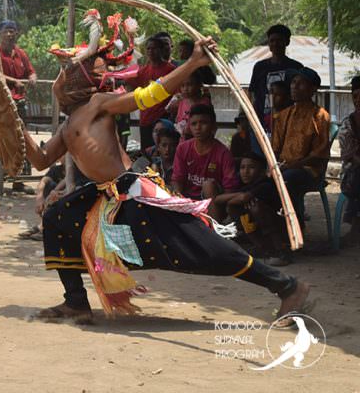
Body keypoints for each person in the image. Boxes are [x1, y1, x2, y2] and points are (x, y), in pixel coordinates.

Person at [20, 35, 308, 324]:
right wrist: (15, 124)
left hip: (134, 191)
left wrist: (194, 62)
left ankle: (286, 286)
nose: (59, 80)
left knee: (201, 245)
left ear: (79, 81)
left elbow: (150, 96)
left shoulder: (98, 103)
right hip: (105, 196)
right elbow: (40, 160)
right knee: (58, 215)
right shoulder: (68, 125)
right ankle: (76, 301)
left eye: (66, 73)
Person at [271, 67, 330, 222]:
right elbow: (275, 148)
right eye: (293, 82)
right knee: (255, 178)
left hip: (309, 171)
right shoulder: (284, 115)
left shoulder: (320, 116)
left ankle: (296, 226)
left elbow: (319, 155)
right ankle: (268, 228)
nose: (294, 86)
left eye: (301, 83)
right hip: (284, 168)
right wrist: (274, 165)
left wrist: (292, 166)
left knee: (287, 179)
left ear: (312, 89)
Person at [210, 152, 290, 266]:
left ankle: (280, 251)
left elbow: (242, 198)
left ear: (262, 171)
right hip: (257, 228)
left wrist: (239, 198)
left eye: (251, 167)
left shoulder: (265, 185)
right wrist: (237, 199)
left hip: (279, 228)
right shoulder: (243, 185)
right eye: (242, 167)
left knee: (255, 208)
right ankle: (260, 247)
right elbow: (217, 200)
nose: (245, 172)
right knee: (234, 208)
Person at [0, 20, 38, 193]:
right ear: (0, 34)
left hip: (19, 102)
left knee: (22, 139)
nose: (9, 34)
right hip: (1, 103)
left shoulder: (21, 54)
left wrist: (32, 77)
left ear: (16, 34)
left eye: (12, 31)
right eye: (6, 31)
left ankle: (19, 181)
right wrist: (13, 81)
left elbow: (31, 71)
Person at [171, 104, 239, 200]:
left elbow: (230, 189)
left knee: (208, 186)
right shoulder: (182, 148)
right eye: (194, 124)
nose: (198, 127)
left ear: (213, 126)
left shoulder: (223, 154)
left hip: (213, 202)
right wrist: (178, 201)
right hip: (188, 201)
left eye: (203, 123)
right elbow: (177, 179)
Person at [248, 24, 303, 133]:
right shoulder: (260, 67)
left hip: (288, 123)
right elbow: (252, 93)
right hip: (261, 123)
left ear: (287, 42)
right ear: (268, 43)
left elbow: (301, 96)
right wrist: (249, 119)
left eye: (279, 40)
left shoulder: (296, 67)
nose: (275, 44)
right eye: (272, 40)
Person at [131, 35, 176, 153]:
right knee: (147, 153)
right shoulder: (143, 70)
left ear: (161, 50)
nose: (151, 51)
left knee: (164, 152)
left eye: (154, 48)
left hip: (163, 120)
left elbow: (177, 94)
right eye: (148, 49)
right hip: (145, 119)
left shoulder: (170, 70)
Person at [338, 76, 360, 245]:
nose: (358, 100)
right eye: (355, 96)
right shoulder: (348, 123)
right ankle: (355, 227)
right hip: (352, 174)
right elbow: (349, 155)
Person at [168, 66, 215, 140]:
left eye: (189, 85)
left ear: (199, 85)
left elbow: (211, 126)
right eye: (182, 86)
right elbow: (178, 121)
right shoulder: (182, 102)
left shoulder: (205, 103)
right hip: (183, 141)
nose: (185, 89)